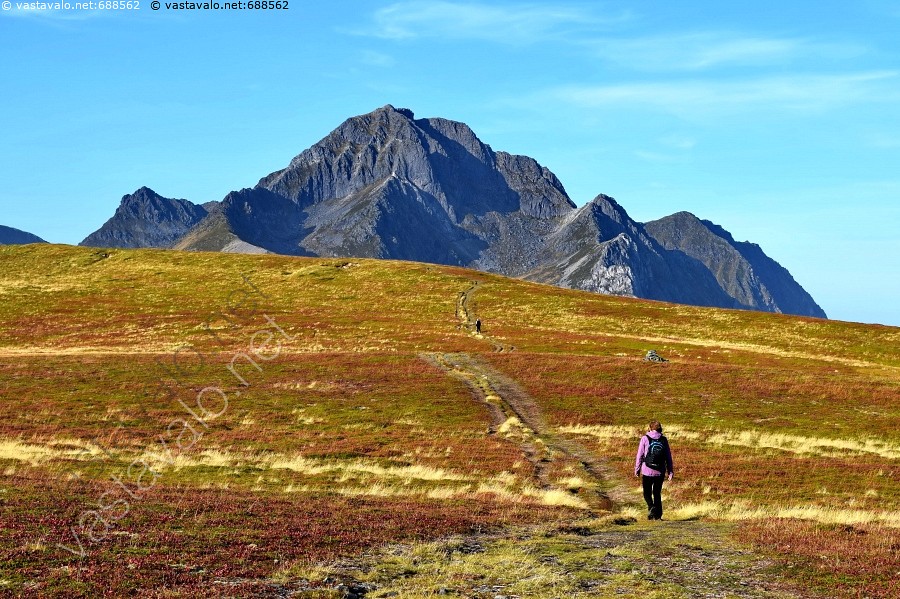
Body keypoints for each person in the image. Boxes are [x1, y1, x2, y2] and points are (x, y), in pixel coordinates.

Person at [634, 420, 674, 520]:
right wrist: (670, 471)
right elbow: (668, 457)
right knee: (657, 493)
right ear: (660, 428)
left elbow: (640, 455)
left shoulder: (644, 438)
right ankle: (658, 516)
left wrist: (637, 469)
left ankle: (652, 508)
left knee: (647, 493)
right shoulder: (663, 439)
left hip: (647, 470)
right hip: (660, 471)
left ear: (650, 428)